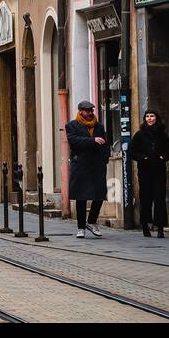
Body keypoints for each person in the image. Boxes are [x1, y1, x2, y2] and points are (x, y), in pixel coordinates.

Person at [66, 99, 109, 238]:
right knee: (81, 196)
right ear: (80, 112)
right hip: (81, 165)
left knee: (100, 194)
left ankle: (91, 221)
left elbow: (105, 143)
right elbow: (74, 142)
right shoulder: (72, 125)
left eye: (91, 110)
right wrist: (92, 140)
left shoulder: (99, 126)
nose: (90, 113)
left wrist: (105, 158)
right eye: (87, 111)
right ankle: (81, 227)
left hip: (97, 165)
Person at [131, 108, 169, 238]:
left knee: (159, 198)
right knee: (146, 198)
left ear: (156, 118)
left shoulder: (162, 134)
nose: (149, 118)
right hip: (145, 170)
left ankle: (160, 227)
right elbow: (133, 151)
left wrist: (163, 157)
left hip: (159, 170)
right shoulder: (139, 134)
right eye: (147, 116)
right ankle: (145, 225)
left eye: (152, 116)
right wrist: (143, 158)